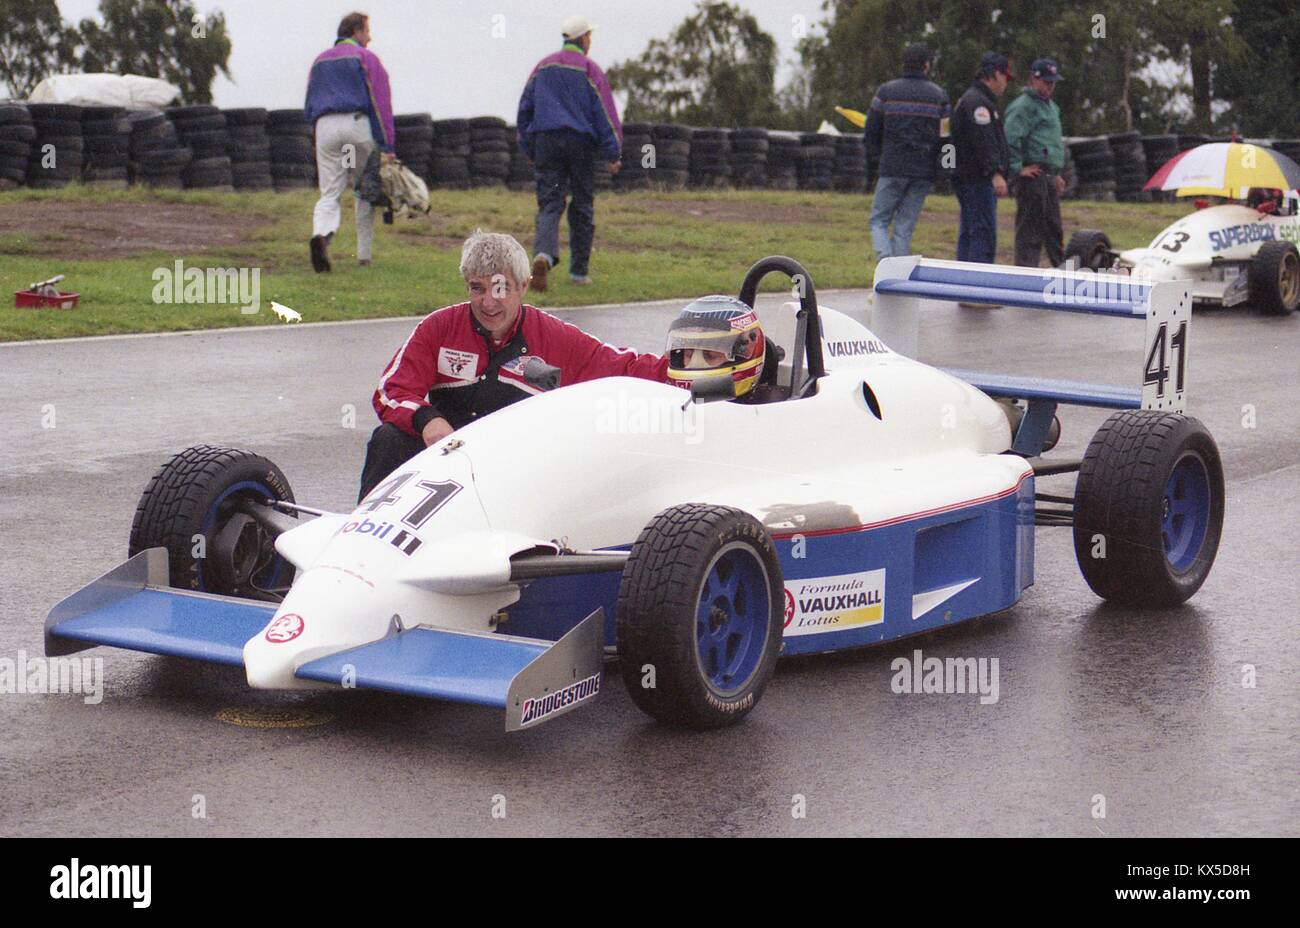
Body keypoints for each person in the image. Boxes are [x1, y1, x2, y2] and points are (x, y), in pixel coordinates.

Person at [359, 232, 666, 501]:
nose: (489, 303)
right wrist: (426, 420)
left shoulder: (554, 336)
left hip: (511, 469)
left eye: (500, 288)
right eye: (477, 288)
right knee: (388, 440)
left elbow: (625, 366)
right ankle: (363, 541)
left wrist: (692, 369)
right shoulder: (438, 328)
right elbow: (392, 388)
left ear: (523, 286)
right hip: (443, 456)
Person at [517, 15, 623, 290]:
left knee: (550, 203)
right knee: (583, 205)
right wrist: (614, 152)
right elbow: (605, 115)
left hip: (547, 143)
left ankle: (542, 255)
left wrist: (529, 146)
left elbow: (524, 109)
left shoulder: (543, 66)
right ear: (583, 39)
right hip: (580, 146)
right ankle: (578, 272)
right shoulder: (589, 69)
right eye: (589, 36)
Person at [304, 11, 396, 273]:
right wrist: (388, 145)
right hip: (356, 126)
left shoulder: (319, 61)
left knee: (330, 192)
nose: (370, 37)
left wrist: (316, 130)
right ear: (356, 31)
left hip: (325, 127)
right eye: (367, 31)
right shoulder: (366, 58)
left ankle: (321, 235)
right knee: (363, 189)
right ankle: (364, 255)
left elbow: (309, 101)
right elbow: (381, 103)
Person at [863, 43, 951, 260]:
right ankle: (898, 274)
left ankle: (885, 262)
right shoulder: (940, 96)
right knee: (905, 225)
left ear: (904, 64)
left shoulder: (885, 92)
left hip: (892, 166)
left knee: (878, 220)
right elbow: (948, 139)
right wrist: (946, 170)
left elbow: (871, 131)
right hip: (924, 171)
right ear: (926, 66)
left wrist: (875, 161)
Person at [951, 52, 1013, 265]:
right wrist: (995, 173)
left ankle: (965, 286)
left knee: (971, 230)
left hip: (970, 177)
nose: (1006, 83)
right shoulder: (978, 104)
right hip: (976, 178)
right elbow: (984, 141)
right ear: (995, 75)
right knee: (982, 232)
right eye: (1005, 77)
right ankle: (978, 288)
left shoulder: (977, 99)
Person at [1004, 57, 1066, 267]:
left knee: (1053, 228)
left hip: (1048, 175)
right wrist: (1017, 168)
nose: (1050, 86)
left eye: (1053, 82)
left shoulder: (1052, 107)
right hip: (1033, 175)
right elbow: (1011, 138)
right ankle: (1025, 277)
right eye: (1046, 82)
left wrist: (1056, 173)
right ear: (1034, 79)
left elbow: (1052, 142)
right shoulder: (1023, 106)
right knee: (1030, 230)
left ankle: (1065, 277)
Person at [664, 296, 783, 404]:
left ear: (742, 356)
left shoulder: (768, 411)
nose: (694, 364)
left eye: (711, 356)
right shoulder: (664, 370)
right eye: (689, 354)